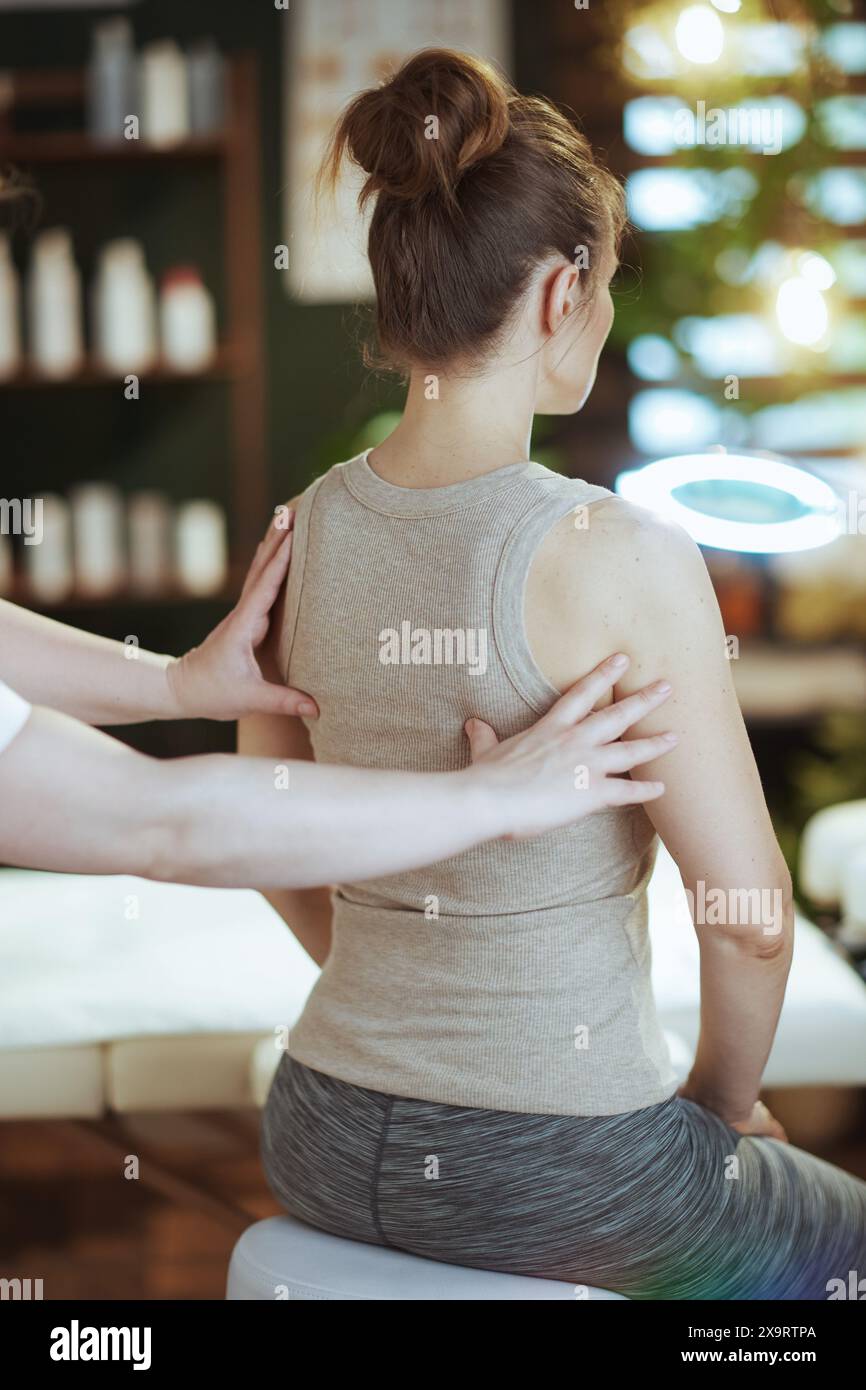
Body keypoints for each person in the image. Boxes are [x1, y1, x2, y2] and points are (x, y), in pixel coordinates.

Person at [242, 49, 866, 1299]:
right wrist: (715, 1109)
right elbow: (743, 918)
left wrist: (394, 1004)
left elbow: (266, 832)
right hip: (565, 1162)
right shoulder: (616, 552)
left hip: (314, 1125)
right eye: (606, 289)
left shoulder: (304, 527)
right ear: (557, 292)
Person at [0, 514, 672, 891]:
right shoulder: (633, 552)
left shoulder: (323, 518)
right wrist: (492, 797)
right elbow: (158, 824)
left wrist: (178, 684)